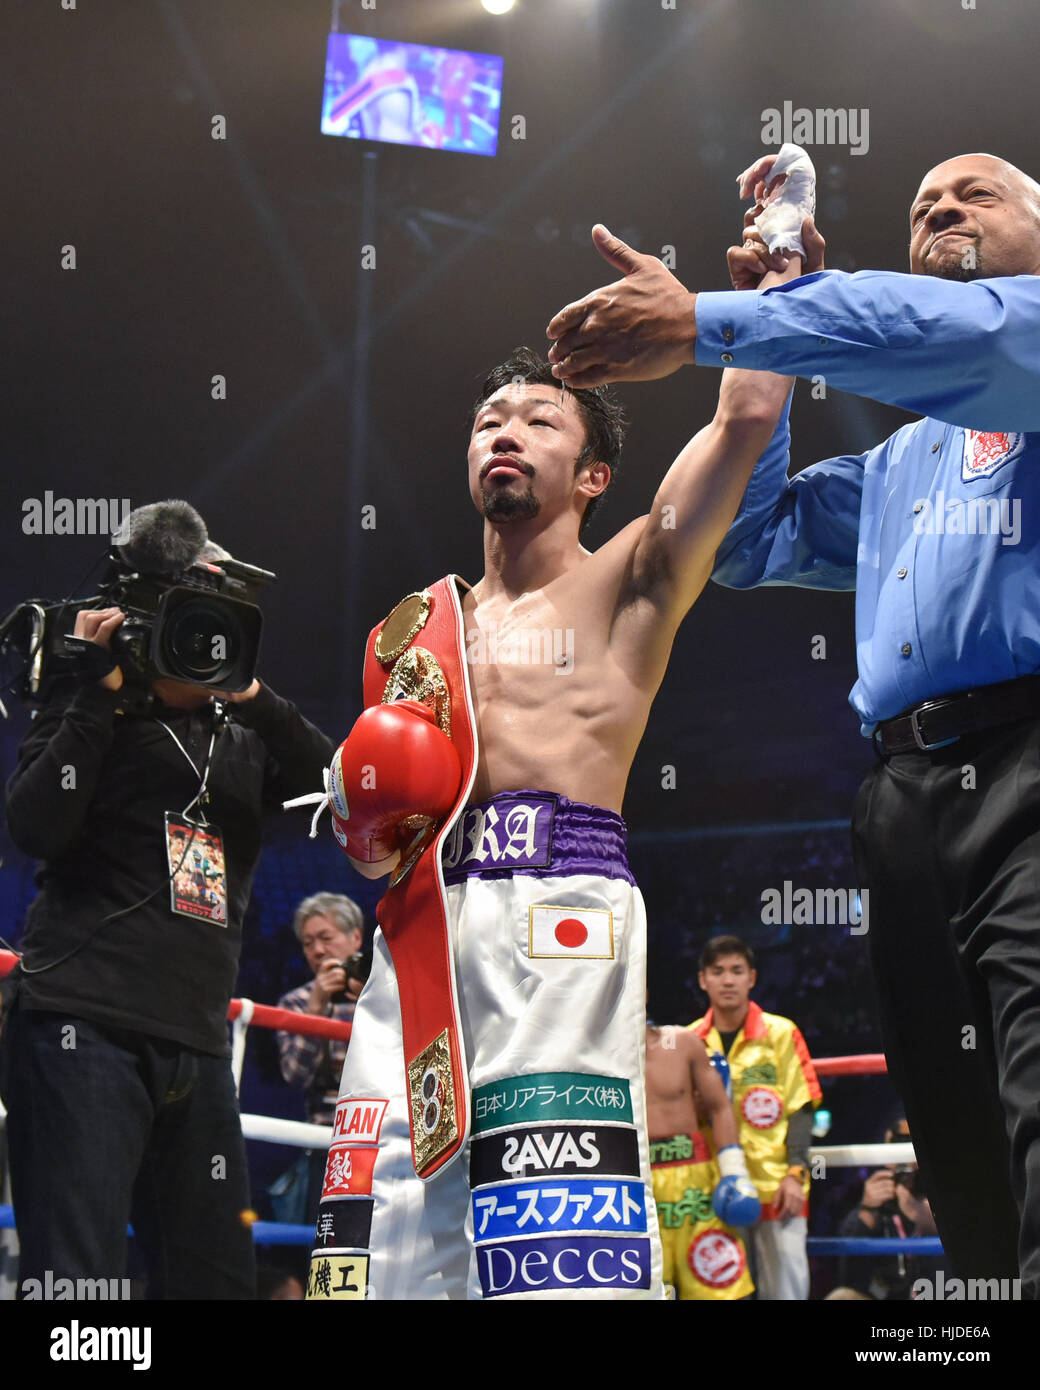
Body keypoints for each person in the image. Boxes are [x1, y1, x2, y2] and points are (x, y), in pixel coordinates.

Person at [307, 178, 814, 1300]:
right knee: (383, 1224)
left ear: (590, 475)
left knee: (548, 1245)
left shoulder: (628, 580)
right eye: (491, 418)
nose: (506, 430)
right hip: (423, 925)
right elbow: (384, 825)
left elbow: (740, 419)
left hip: (558, 911)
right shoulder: (414, 629)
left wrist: (772, 271)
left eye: (540, 418)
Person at [546, 151, 1040, 1296]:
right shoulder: (903, 457)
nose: (941, 210)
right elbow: (754, 535)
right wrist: (769, 307)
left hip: (1031, 767)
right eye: (922, 203)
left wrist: (709, 316)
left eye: (975, 195)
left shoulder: (1019, 340)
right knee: (957, 1127)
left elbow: (961, 336)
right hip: (906, 805)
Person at [0, 530, 334, 1300]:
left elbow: (345, 789)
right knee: (77, 1285)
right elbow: (33, 827)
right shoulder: (92, 703)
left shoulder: (245, 734)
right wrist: (95, 692)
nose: (205, 634)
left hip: (197, 1048)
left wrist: (253, 693)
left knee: (215, 1281)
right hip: (80, 1030)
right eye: (190, 612)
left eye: (221, 619)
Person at [689, 935, 820, 1300]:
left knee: (787, 1294)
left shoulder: (782, 1033)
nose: (728, 980)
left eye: (736, 970)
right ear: (703, 979)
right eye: (718, 971)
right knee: (722, 1294)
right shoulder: (689, 1042)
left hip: (779, 1189)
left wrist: (796, 1173)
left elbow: (801, 1106)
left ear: (752, 977)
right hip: (712, 1190)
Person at [645, 1015, 759, 1300]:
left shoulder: (683, 1042)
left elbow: (719, 1107)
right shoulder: (591, 1055)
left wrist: (734, 1172)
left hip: (693, 1183)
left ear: (642, 989)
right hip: (633, 1185)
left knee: (719, 1287)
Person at [275, 892, 365, 1222]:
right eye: (308, 942)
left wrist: (369, 1002)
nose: (317, 950)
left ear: (355, 937)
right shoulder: (297, 1002)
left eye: (326, 938)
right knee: (322, 1239)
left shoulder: (387, 992)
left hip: (383, 1133)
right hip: (326, 1141)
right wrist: (316, 1010)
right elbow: (294, 1075)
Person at [829, 1119, 941, 1301]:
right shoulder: (875, 1191)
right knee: (842, 1297)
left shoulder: (943, 1189)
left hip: (943, 1291)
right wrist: (867, 1211)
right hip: (888, 1295)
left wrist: (922, 1214)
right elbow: (849, 1277)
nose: (908, 1148)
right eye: (902, 1140)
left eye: (915, 1140)